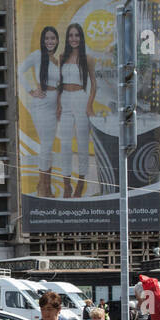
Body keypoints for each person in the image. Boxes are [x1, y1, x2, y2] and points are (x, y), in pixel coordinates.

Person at [18, 25, 62, 197]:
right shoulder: (37, 55)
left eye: (53, 38)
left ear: (57, 40)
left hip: (55, 103)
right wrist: (30, 90)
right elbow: (20, 70)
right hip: (41, 103)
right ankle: (44, 187)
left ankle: (43, 184)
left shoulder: (58, 59)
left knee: (48, 146)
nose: (50, 41)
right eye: (47, 39)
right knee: (46, 144)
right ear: (43, 41)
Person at [56, 22, 99, 198]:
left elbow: (94, 84)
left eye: (77, 35)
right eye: (71, 35)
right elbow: (58, 83)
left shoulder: (87, 58)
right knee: (65, 144)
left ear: (81, 38)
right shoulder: (62, 57)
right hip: (65, 98)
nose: (74, 39)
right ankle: (66, 184)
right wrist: (58, 104)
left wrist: (89, 105)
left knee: (82, 144)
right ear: (67, 39)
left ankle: (80, 184)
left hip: (81, 99)